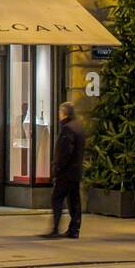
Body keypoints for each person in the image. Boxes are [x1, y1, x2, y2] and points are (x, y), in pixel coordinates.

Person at [39, 102, 84, 238]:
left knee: (56, 199)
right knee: (74, 201)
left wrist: (57, 169)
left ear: (63, 113)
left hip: (66, 173)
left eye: (60, 112)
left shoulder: (67, 129)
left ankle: (55, 228)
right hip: (76, 172)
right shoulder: (78, 127)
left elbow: (64, 153)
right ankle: (74, 229)